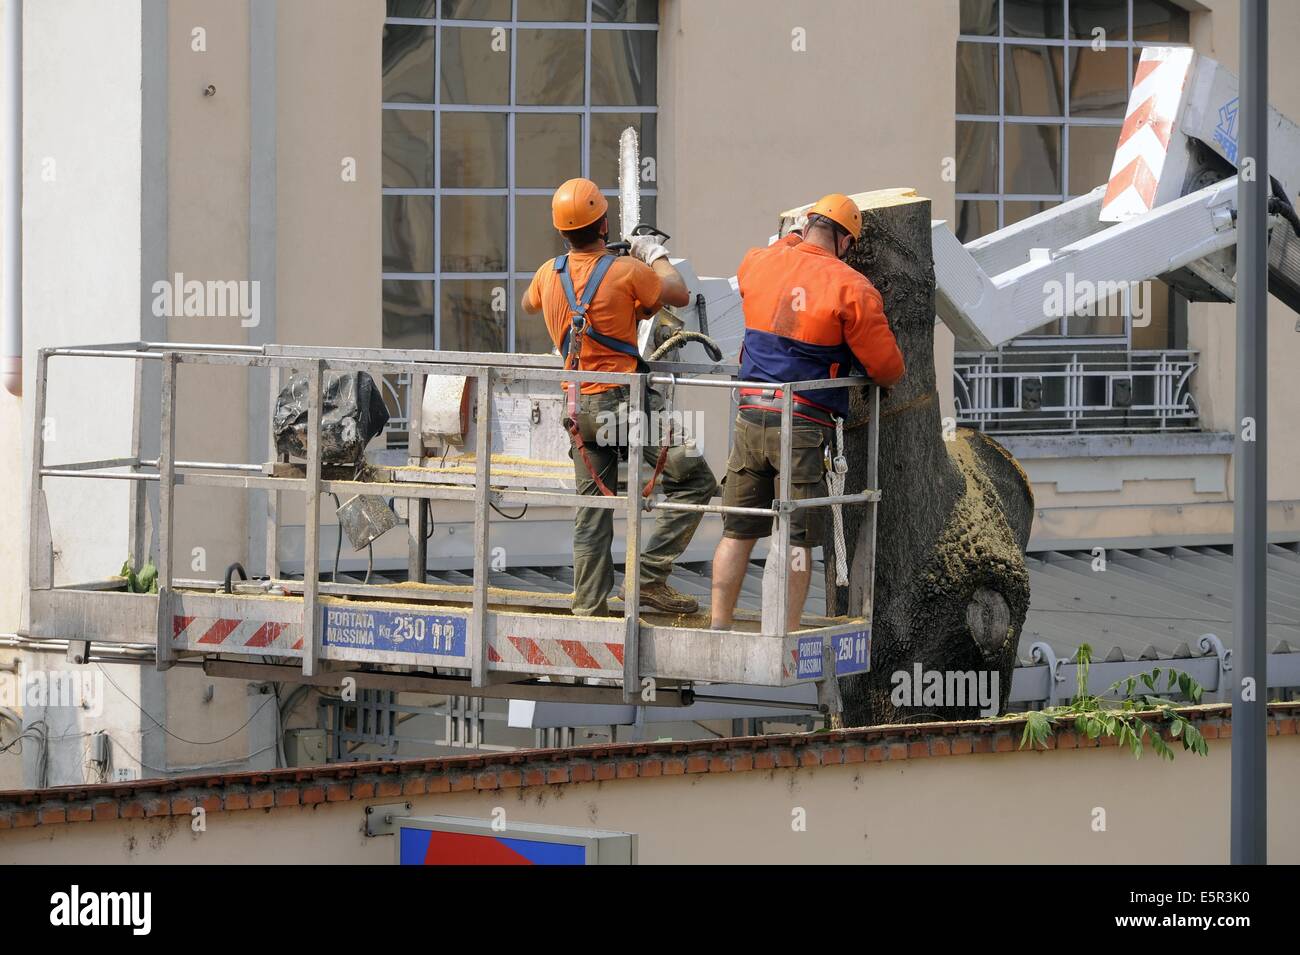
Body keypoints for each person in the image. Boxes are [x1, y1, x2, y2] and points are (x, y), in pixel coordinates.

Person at [522, 178, 718, 617]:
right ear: (604, 224)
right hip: (623, 406)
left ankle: (589, 605)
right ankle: (648, 580)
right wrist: (651, 253)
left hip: (578, 410)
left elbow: (529, 304)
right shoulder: (627, 272)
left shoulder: (548, 274)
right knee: (696, 481)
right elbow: (678, 293)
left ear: (562, 231)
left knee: (592, 509)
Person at [709, 193, 905, 631]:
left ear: (805, 225)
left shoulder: (758, 261)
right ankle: (786, 631)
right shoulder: (851, 286)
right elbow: (887, 368)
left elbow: (760, 270)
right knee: (796, 538)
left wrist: (789, 243)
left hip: (749, 417)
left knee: (737, 529)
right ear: (844, 241)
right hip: (800, 425)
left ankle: (719, 623)